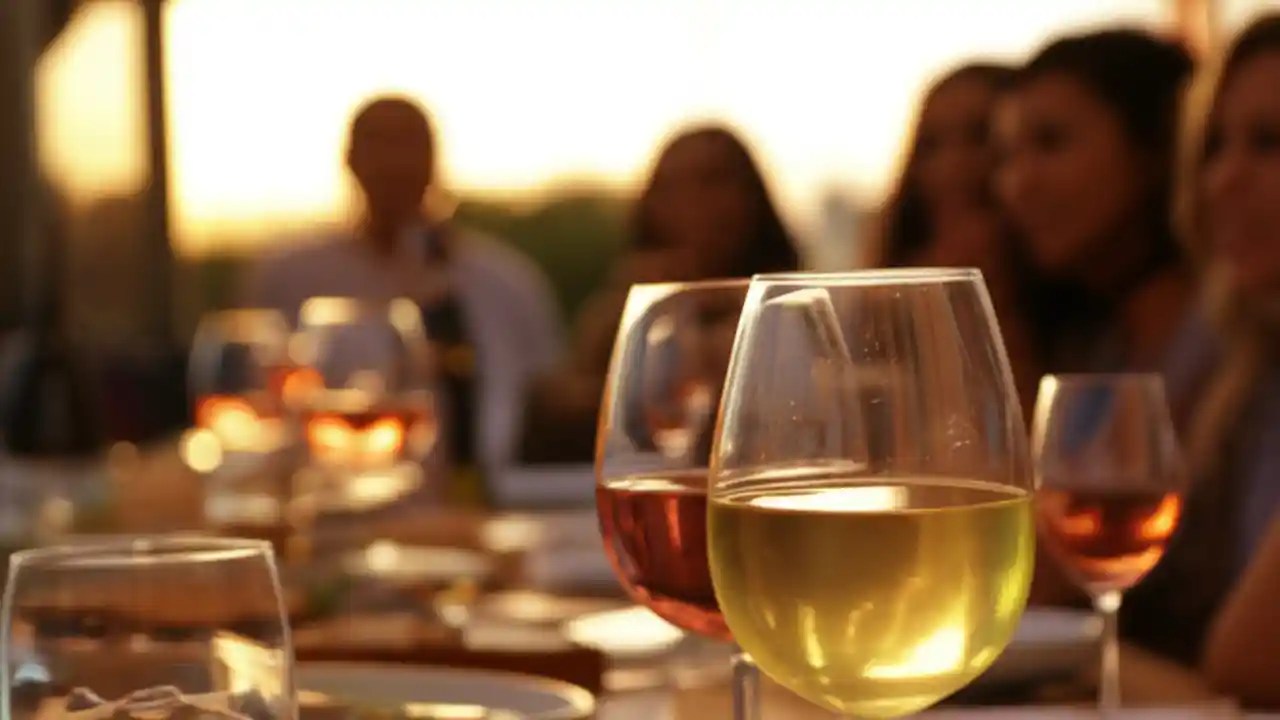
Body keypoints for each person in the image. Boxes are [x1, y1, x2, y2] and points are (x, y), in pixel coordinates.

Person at [248, 95, 563, 483]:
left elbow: (547, 405)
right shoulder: (289, 275)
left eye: (409, 146)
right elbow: (261, 406)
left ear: (434, 161)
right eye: (378, 145)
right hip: (329, 507)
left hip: (479, 506)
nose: (394, 163)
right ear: (349, 160)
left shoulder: (506, 282)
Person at [1127, 15, 1280, 700]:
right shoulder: (1251, 364)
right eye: (1215, 146)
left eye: (1271, 143)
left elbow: (1247, 660)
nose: (1222, 181)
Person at [521, 124, 799, 462]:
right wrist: (623, 317)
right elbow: (558, 405)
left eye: (713, 181)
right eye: (672, 186)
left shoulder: (791, 309)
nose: (693, 202)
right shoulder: (630, 303)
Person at [996, 30, 1195, 376]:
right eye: (1006, 156)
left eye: (1051, 142)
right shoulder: (1095, 348)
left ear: (1153, 147)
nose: (1017, 185)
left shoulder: (1241, 345)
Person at [874, 62, 1037, 406]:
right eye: (932, 145)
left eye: (979, 136)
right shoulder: (890, 303)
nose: (953, 165)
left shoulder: (1079, 307)